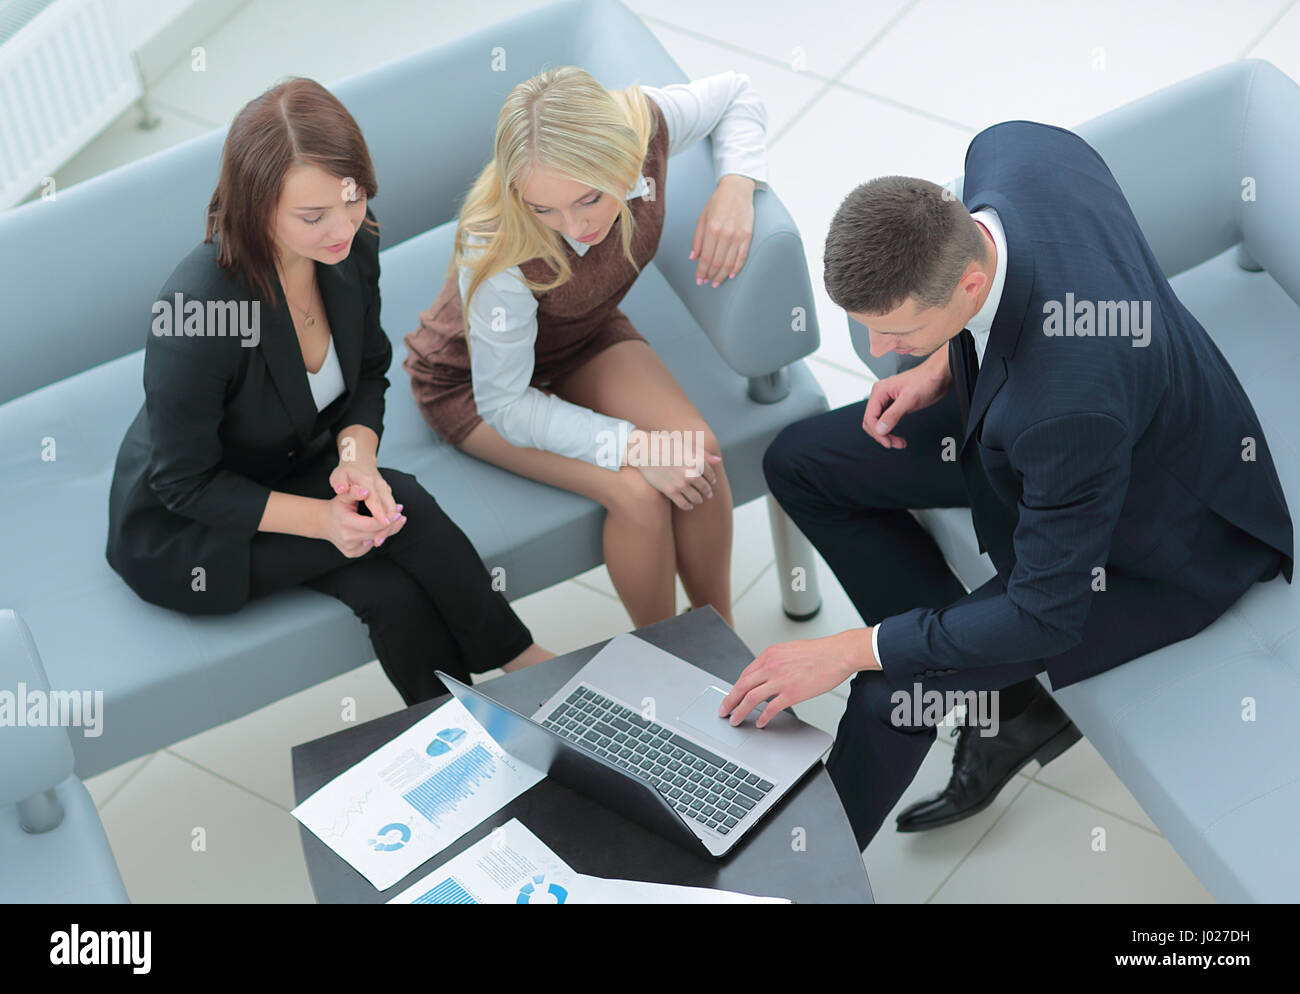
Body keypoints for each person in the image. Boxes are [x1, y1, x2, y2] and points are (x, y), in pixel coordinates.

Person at [719, 120, 1294, 850]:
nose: (879, 354)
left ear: (969, 282)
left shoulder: (1066, 404)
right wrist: (941, 357)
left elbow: (1049, 613)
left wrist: (854, 648)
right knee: (801, 461)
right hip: (1045, 422)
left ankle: (792, 884)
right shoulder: (1012, 149)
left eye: (897, 334)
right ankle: (995, 682)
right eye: (866, 331)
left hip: (1159, 540)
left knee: (889, 697)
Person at [106, 77, 553, 707]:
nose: (342, 226)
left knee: (390, 591)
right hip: (191, 529)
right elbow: (184, 484)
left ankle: (464, 741)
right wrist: (322, 520)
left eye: (352, 198)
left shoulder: (352, 239)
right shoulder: (196, 308)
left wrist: (357, 459)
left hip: (298, 461)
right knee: (408, 510)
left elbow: (368, 370)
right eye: (312, 217)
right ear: (256, 209)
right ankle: (529, 668)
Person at [403, 67, 770, 629]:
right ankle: (670, 660)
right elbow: (505, 404)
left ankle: (719, 638)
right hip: (476, 388)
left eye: (588, 199)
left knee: (698, 455)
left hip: (580, 331)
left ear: (621, 154)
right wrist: (635, 447)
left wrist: (737, 184)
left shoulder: (644, 123)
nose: (572, 226)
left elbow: (738, 91)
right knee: (638, 493)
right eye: (542, 209)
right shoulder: (495, 245)